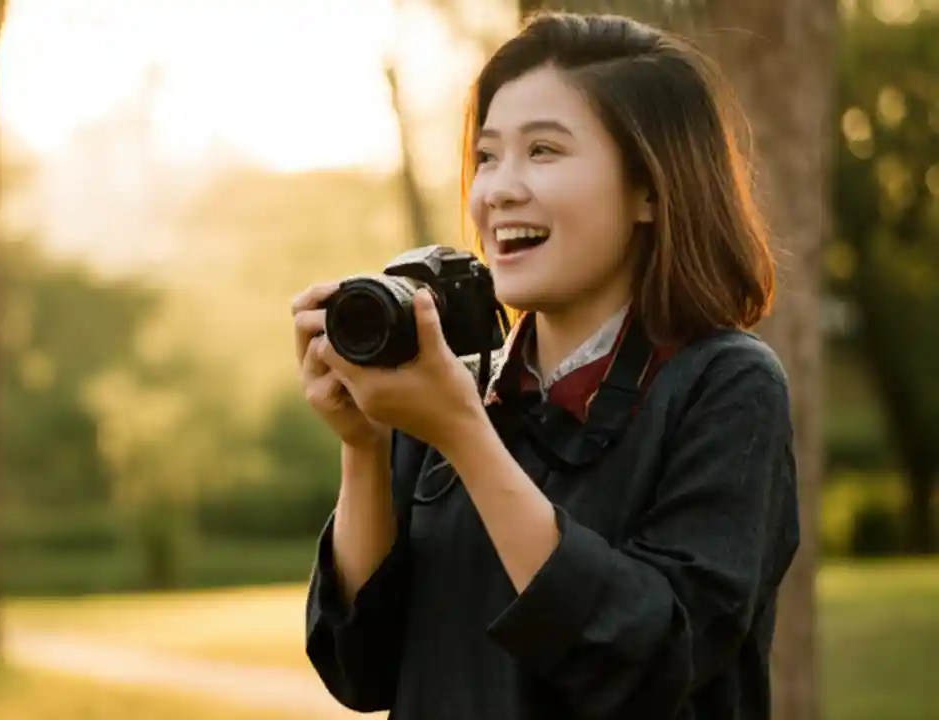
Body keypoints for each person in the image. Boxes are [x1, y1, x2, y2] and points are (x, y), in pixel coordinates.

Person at [289, 11, 799, 720]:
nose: (498, 189)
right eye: (489, 156)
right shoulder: (452, 381)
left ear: (651, 188)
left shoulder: (724, 385)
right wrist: (365, 444)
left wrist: (466, 436)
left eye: (544, 152)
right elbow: (360, 669)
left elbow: (651, 659)